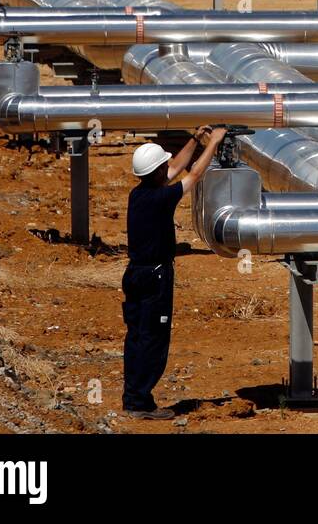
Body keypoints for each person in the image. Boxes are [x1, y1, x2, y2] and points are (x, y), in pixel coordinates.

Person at [121, 125, 226, 420]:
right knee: (154, 339)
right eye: (163, 166)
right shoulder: (160, 199)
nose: (168, 168)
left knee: (138, 336)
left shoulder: (139, 194)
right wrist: (213, 144)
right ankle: (140, 403)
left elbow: (177, 167)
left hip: (136, 275)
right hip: (155, 277)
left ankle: (133, 397)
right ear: (155, 172)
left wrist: (194, 138)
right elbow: (191, 175)